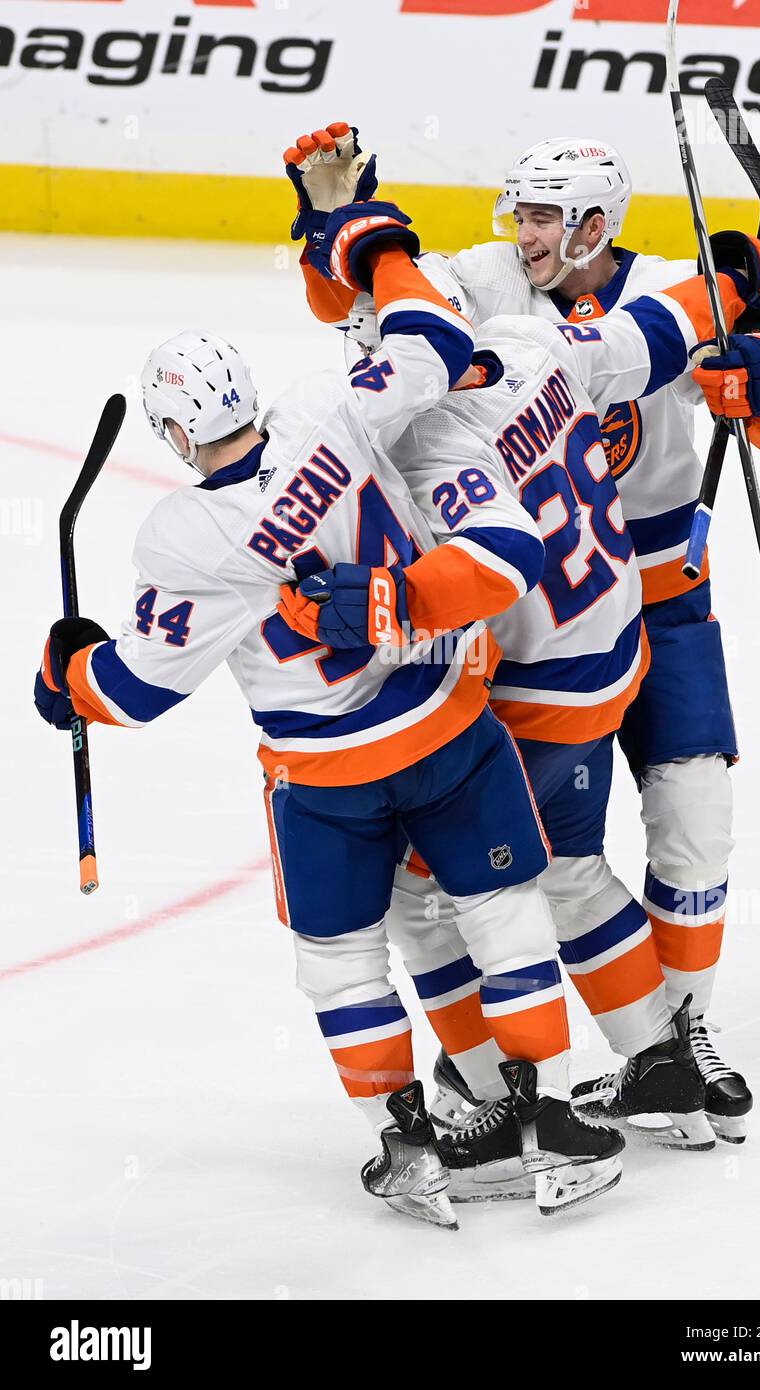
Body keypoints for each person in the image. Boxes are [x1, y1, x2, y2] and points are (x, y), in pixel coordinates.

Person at [33, 210, 628, 1228]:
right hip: (445, 724)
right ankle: (542, 1116)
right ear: (247, 395)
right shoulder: (327, 408)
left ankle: (406, 1139)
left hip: (325, 781)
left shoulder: (184, 535)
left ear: (176, 434)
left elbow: (136, 691)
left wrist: (67, 673)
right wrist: (382, 252)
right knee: (500, 912)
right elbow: (434, 343)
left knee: (344, 955)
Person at [290, 126, 760, 1146]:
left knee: (692, 814)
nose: (519, 234)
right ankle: (583, 1049)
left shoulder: (657, 284)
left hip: (658, 593)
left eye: (539, 216)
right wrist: (325, 224)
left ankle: (675, 1033)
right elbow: (360, 310)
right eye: (516, 212)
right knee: (528, 853)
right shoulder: (489, 281)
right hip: (534, 627)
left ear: (592, 223)